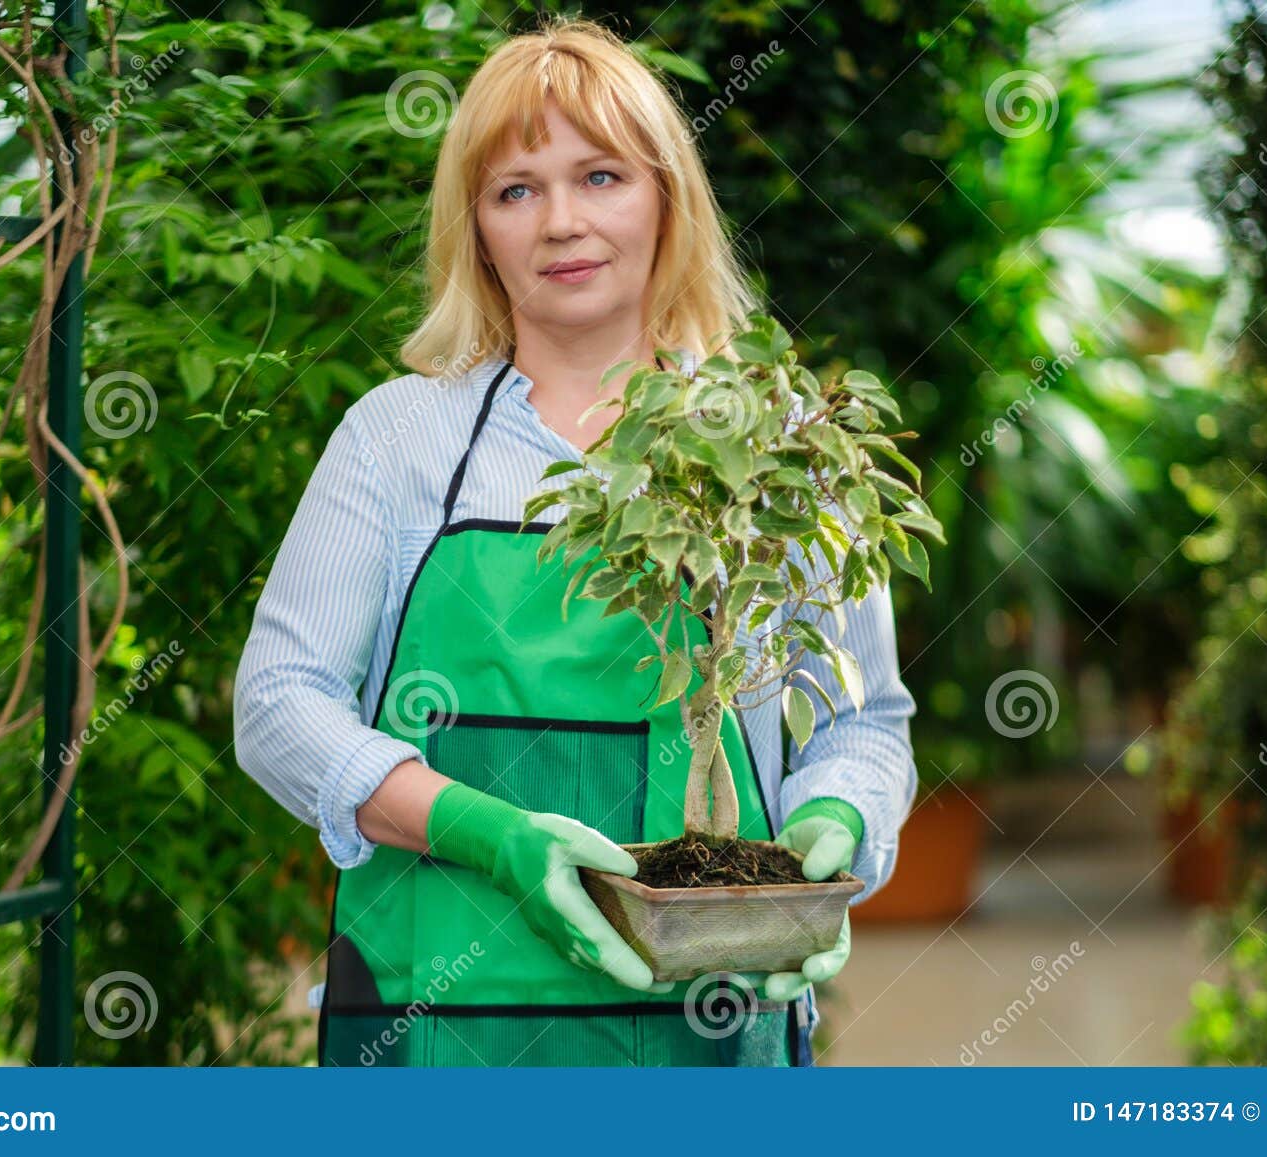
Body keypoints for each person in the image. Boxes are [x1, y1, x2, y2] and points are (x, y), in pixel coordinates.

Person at [233, 16, 918, 1067]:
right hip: (437, 1031)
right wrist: (490, 833)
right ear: (478, 230)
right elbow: (280, 701)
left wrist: (833, 822)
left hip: (706, 1022)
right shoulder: (399, 438)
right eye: (516, 190)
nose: (560, 221)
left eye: (600, 177)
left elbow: (860, 719)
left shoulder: (780, 451)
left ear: (665, 199)